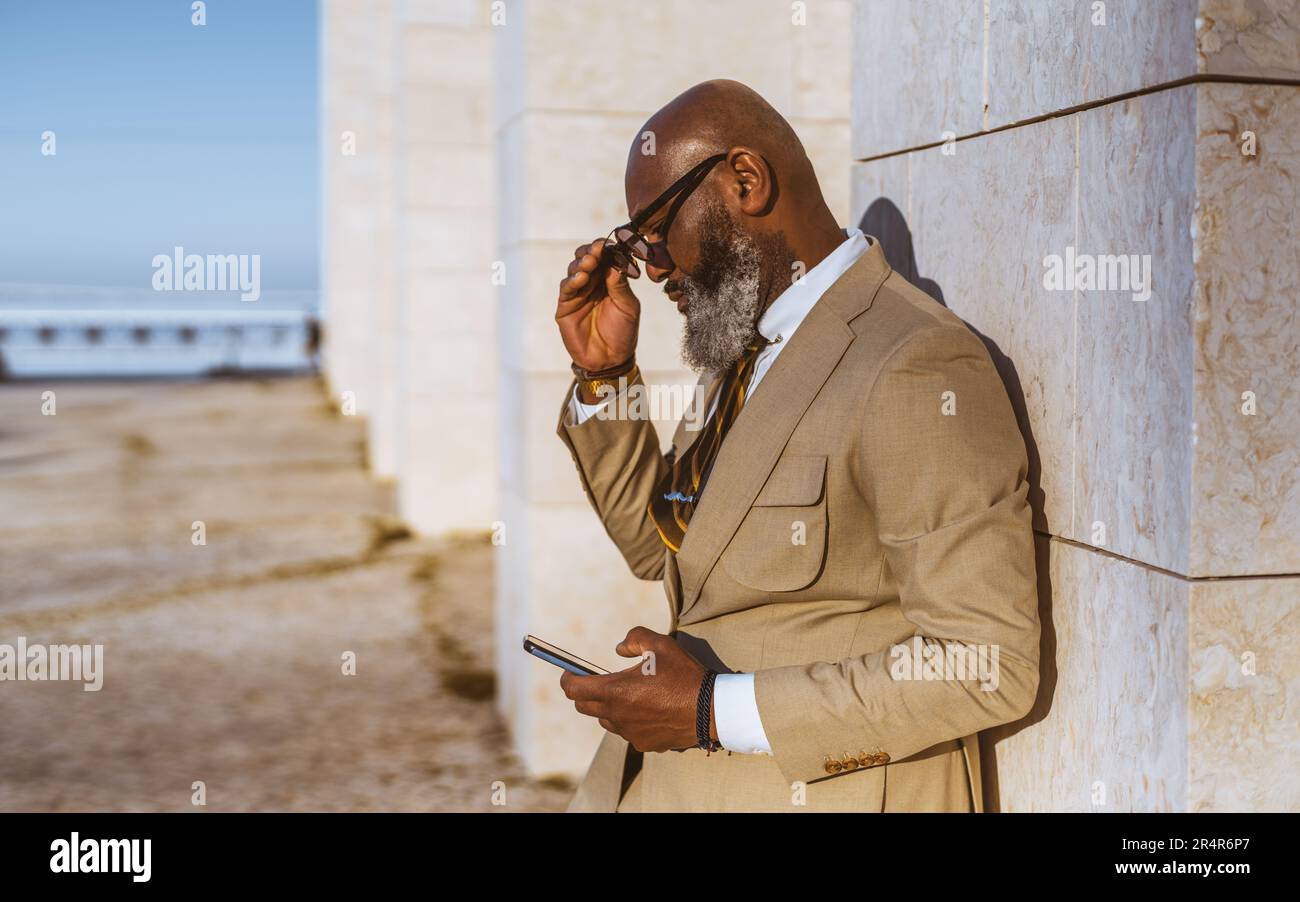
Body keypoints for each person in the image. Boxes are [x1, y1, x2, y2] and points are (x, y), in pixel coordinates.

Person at [553, 79, 1040, 812]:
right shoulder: (740, 354)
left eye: (656, 229)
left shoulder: (913, 360)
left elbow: (988, 662)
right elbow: (663, 551)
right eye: (634, 244)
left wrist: (711, 710)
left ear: (745, 180)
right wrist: (604, 377)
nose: (652, 268)